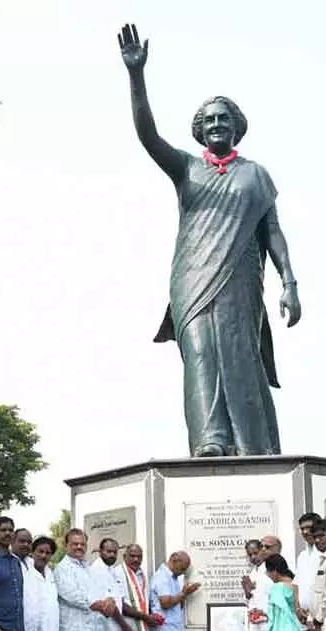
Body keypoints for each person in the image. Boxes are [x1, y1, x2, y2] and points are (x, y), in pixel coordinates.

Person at [117, 22, 301, 457]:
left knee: (239, 356)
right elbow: (147, 135)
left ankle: (251, 444)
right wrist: (136, 76)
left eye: (224, 119)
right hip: (193, 278)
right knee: (199, 353)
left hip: (241, 279)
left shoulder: (255, 174)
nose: (217, 124)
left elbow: (272, 230)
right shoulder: (185, 167)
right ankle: (210, 441)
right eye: (209, 120)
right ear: (199, 130)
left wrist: (290, 282)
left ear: (237, 127)